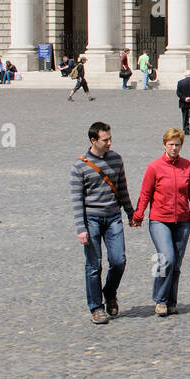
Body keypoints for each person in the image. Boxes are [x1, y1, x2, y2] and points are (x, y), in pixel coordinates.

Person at [133, 128, 190, 317]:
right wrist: (138, 215)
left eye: (177, 144)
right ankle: (160, 299)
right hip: (160, 220)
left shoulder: (187, 166)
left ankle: (171, 301)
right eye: (171, 144)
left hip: (182, 220)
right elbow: (145, 193)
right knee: (167, 259)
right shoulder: (154, 167)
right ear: (164, 145)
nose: (174, 148)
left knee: (177, 263)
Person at [72, 121, 136, 325]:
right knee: (93, 265)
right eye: (105, 139)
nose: (110, 142)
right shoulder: (80, 166)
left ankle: (109, 292)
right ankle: (96, 307)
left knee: (119, 260)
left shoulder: (116, 160)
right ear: (93, 140)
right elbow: (76, 200)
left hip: (113, 217)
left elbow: (123, 188)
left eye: (110, 138)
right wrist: (81, 229)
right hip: (91, 219)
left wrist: (130, 213)